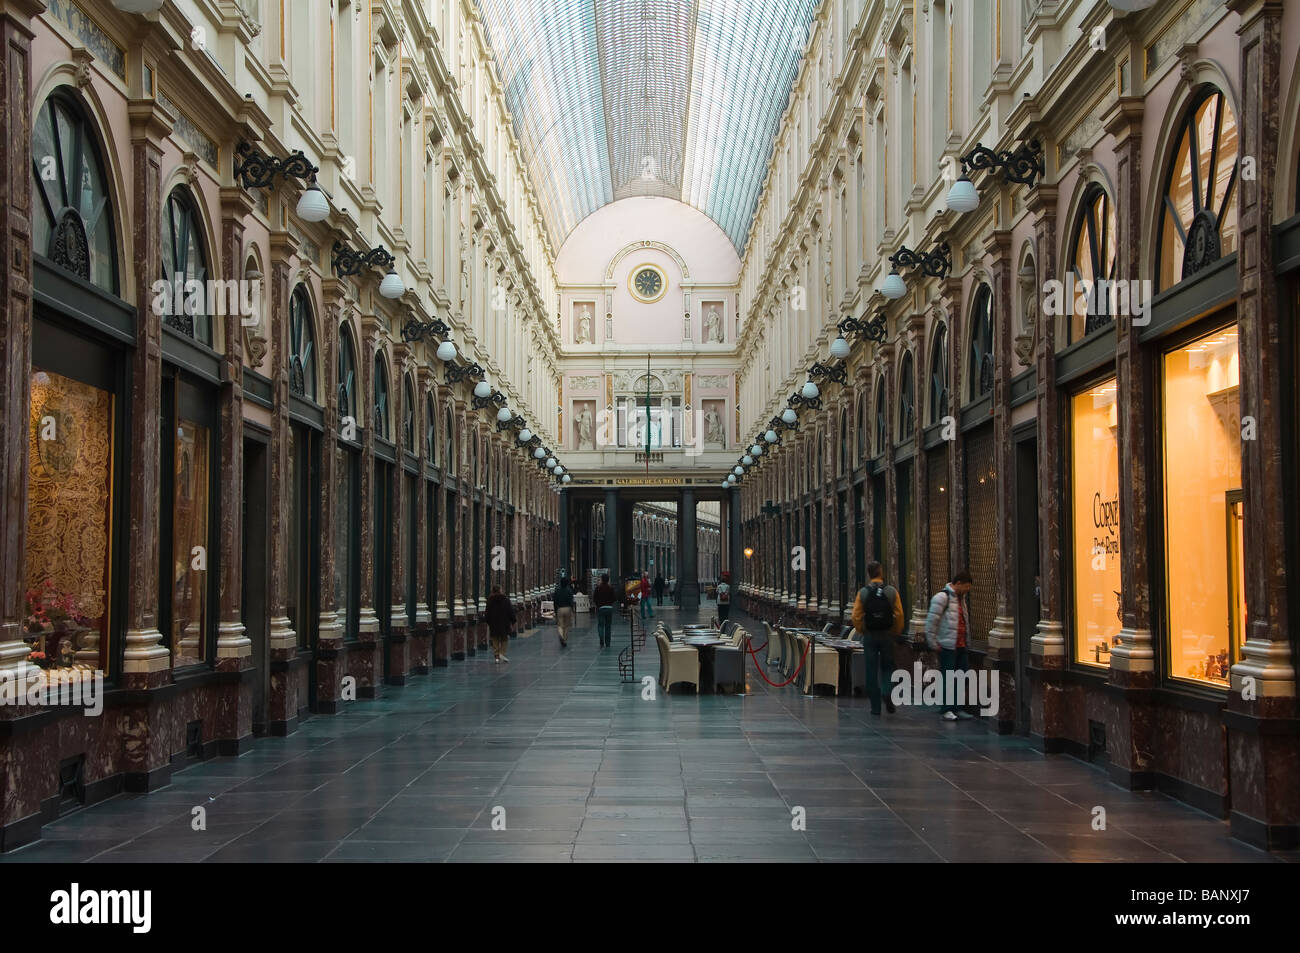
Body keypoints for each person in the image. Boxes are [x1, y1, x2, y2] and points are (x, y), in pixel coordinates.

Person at [851, 561, 905, 715]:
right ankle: (887, 691)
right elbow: (900, 615)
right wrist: (895, 631)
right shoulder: (891, 592)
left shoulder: (863, 593)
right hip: (887, 635)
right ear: (881, 572)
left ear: (869, 574)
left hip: (870, 636)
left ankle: (875, 707)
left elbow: (856, 616)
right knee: (888, 666)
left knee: (871, 669)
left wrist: (863, 629)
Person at [924, 568, 975, 720]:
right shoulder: (942, 597)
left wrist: (967, 640)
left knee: (962, 675)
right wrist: (933, 642)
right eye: (966, 587)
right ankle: (947, 709)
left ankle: (957, 708)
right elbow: (932, 621)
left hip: (960, 644)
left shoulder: (961, 599)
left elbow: (963, 621)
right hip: (947, 645)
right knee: (948, 677)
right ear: (958, 583)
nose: (967, 591)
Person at [485, 584, 515, 663]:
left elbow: (487, 613)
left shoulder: (490, 600)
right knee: (504, 639)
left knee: (495, 639)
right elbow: (510, 611)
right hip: (504, 623)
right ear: (500, 590)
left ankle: (497, 657)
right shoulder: (506, 599)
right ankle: (502, 653)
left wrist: (489, 622)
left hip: (494, 623)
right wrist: (513, 621)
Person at [593, 573, 618, 648]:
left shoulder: (598, 588)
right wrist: (610, 603)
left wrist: (598, 605)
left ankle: (601, 639)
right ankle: (608, 643)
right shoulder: (611, 588)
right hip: (609, 608)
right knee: (608, 626)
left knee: (600, 625)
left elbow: (595, 598)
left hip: (601, 608)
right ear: (608, 579)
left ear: (601, 579)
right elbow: (614, 598)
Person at [553, 576, 576, 648]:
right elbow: (571, 601)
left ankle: (560, 635)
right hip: (568, 609)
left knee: (560, 625)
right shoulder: (569, 591)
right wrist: (573, 610)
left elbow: (555, 601)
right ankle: (564, 639)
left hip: (560, 609)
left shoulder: (557, 591)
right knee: (566, 625)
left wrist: (555, 610)